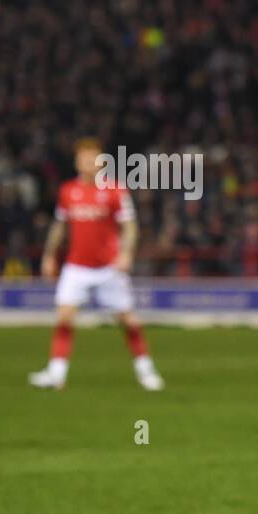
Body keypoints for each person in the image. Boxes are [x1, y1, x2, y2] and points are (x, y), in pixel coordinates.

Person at [29, 137, 164, 392]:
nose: (88, 162)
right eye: (83, 158)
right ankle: (56, 374)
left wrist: (126, 254)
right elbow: (59, 226)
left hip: (108, 268)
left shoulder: (114, 190)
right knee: (64, 317)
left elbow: (130, 227)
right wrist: (49, 255)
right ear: (77, 162)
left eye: (93, 158)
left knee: (128, 319)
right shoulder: (68, 191)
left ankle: (146, 370)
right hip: (76, 266)